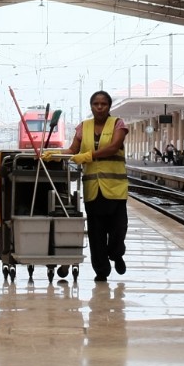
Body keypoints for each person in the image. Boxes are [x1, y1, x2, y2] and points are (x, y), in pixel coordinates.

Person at [70, 90, 130, 283]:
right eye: (96, 103)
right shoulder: (82, 127)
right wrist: (50, 154)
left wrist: (89, 156)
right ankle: (101, 271)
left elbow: (114, 146)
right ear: (91, 106)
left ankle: (116, 253)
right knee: (96, 233)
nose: (99, 107)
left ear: (109, 106)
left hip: (115, 188)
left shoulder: (118, 124)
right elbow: (72, 150)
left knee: (118, 229)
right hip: (93, 189)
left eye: (103, 104)